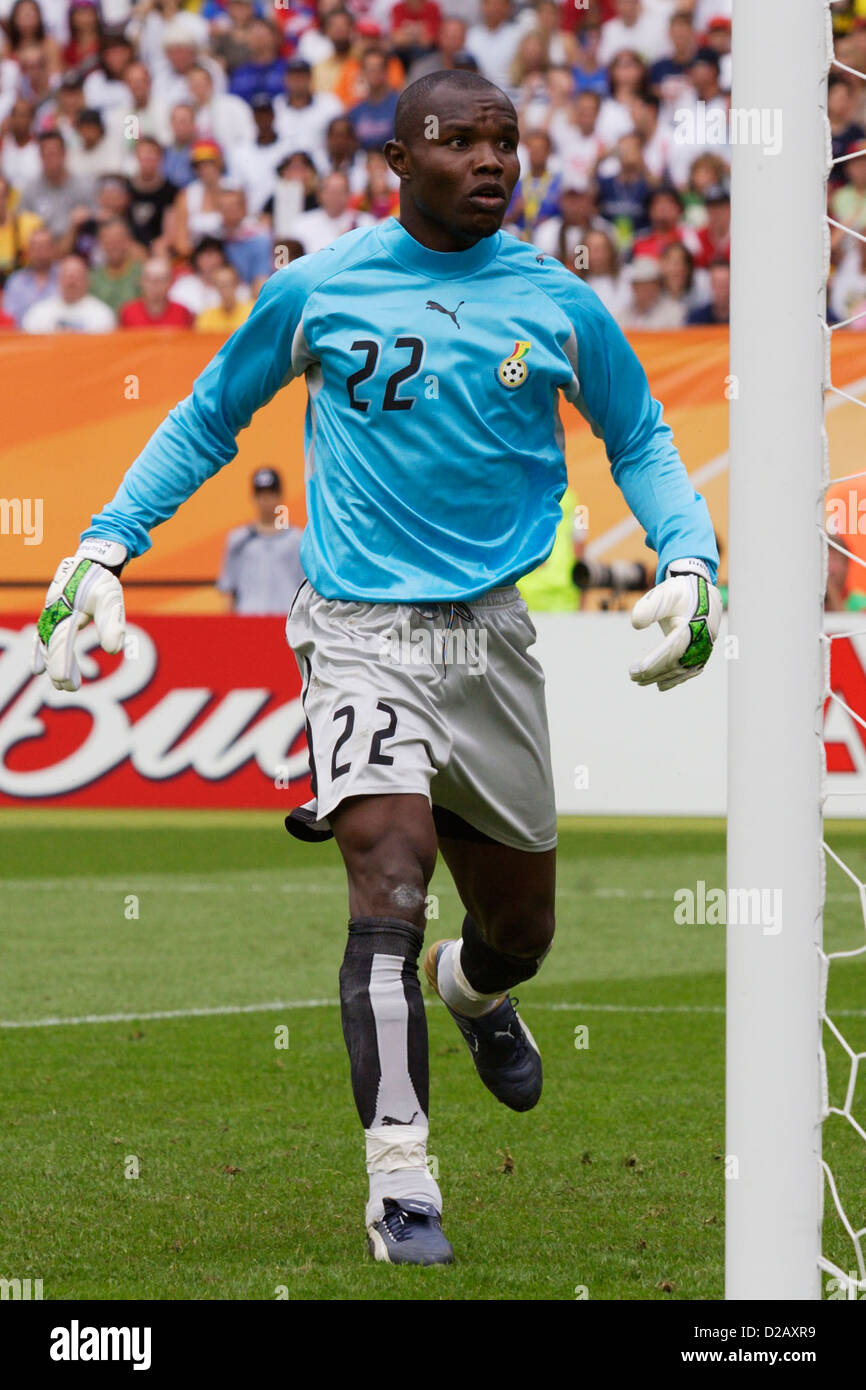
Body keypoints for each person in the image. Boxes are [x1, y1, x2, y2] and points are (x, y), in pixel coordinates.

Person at [34, 69, 721, 1268]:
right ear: (397, 161)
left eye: (507, 140)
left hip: (491, 638)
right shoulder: (315, 290)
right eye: (462, 141)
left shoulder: (558, 306)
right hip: (357, 630)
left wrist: (690, 559)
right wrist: (103, 541)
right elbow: (206, 415)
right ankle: (401, 1180)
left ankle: (474, 992)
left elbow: (641, 436)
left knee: (521, 930)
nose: (493, 160)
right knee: (388, 872)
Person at [217, 467, 306, 614]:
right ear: (254, 497)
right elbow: (228, 589)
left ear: (280, 496)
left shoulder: (297, 539)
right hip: (247, 621)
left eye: (271, 494)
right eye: (261, 494)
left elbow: (305, 589)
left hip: (286, 621)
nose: (266, 500)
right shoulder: (238, 539)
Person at [22, 249, 115, 330]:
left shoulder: (102, 314)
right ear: (58, 279)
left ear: (87, 281)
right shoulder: (38, 313)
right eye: (67, 276)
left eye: (77, 276)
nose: (71, 282)